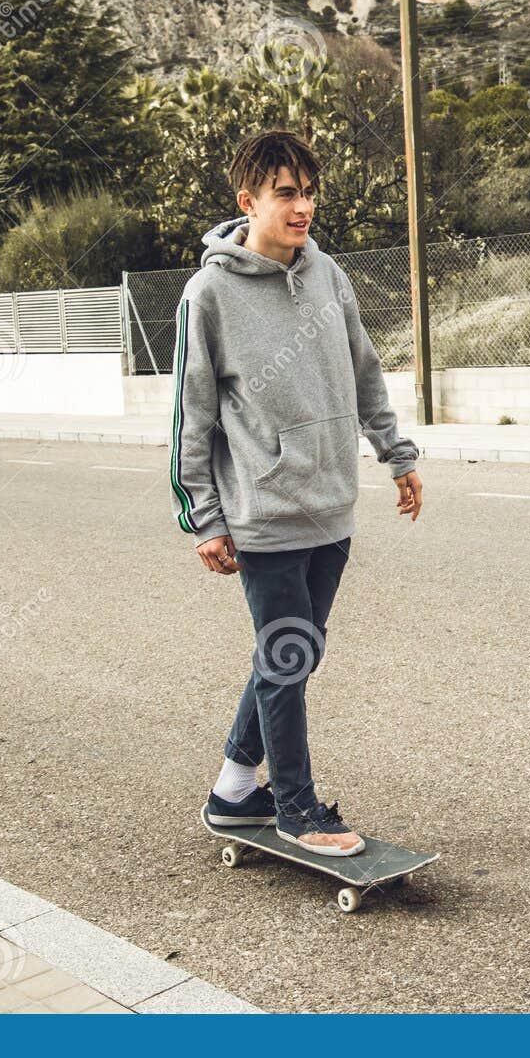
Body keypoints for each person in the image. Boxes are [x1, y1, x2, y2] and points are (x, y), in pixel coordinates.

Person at [171, 129, 423, 857]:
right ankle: (298, 810)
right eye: (286, 192)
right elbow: (191, 415)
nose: (302, 205)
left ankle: (232, 790)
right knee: (286, 656)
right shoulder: (208, 294)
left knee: (295, 650)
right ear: (248, 200)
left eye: (308, 190)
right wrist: (204, 518)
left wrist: (394, 451)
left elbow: (365, 368)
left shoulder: (327, 275)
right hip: (264, 514)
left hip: (332, 502)